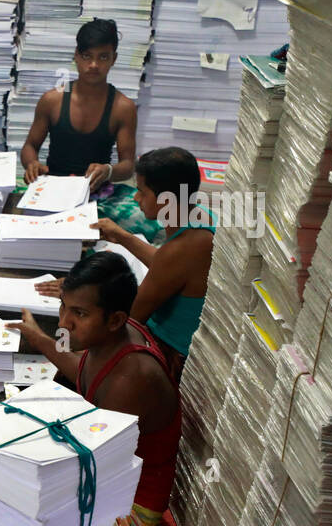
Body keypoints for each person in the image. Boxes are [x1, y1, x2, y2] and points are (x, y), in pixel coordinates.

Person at [7, 251, 181, 526]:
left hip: (127, 507)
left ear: (114, 319)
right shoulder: (116, 338)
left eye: (79, 313)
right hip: (101, 471)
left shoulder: (132, 381)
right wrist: (38, 337)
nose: (63, 322)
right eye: (62, 306)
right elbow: (84, 371)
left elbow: (90, 471)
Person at [36, 146, 215, 381]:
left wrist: (82, 296)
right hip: (172, 335)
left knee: (78, 348)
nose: (136, 197)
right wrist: (122, 236)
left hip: (171, 352)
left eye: (142, 191)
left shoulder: (183, 248)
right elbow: (166, 266)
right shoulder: (199, 217)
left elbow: (130, 319)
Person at [20, 19, 155, 240]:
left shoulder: (123, 107)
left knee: (153, 216)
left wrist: (107, 171)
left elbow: (128, 166)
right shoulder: (52, 100)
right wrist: (32, 164)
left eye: (103, 57)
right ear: (76, 56)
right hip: (52, 190)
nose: (93, 65)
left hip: (99, 195)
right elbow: (29, 146)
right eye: (87, 56)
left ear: (114, 59)